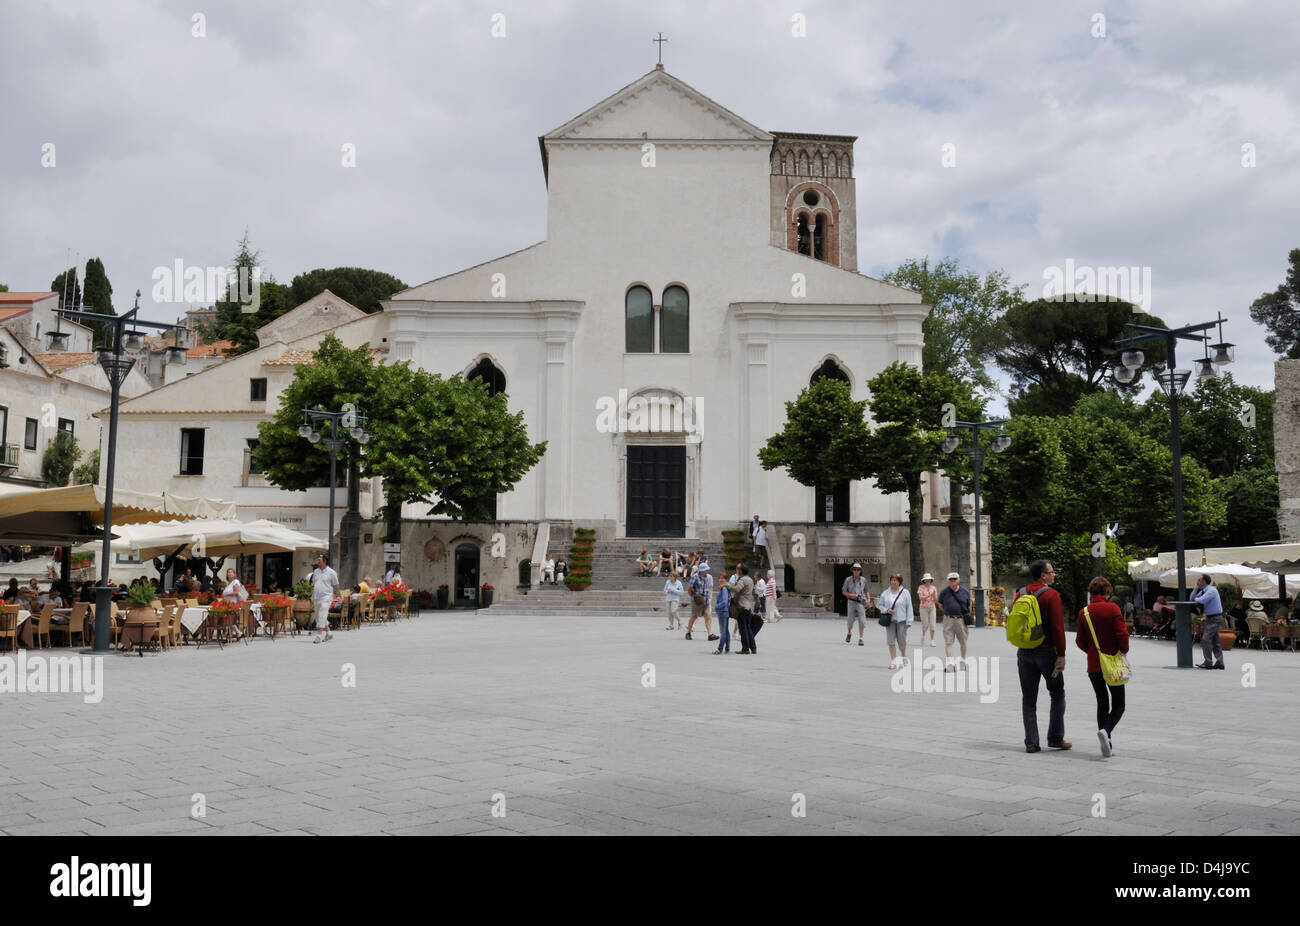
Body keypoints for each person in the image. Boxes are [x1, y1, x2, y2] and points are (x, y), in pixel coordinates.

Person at [1017, 560, 1070, 753]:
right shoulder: (1051, 595)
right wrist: (1062, 654)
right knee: (1057, 693)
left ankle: (1031, 742)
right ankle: (1055, 738)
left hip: (1024, 652)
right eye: (1051, 572)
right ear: (1043, 575)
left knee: (1028, 698)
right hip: (1047, 652)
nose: (1054, 574)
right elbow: (1057, 627)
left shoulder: (1020, 594)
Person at [1076, 576, 1129, 758]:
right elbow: (1122, 634)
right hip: (1112, 663)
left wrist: (1093, 652)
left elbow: (1080, 641)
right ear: (1107, 591)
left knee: (1102, 702)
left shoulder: (1085, 612)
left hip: (1094, 664)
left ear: (1091, 592)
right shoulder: (1113, 608)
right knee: (1119, 704)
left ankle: (1107, 742)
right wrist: (1123, 650)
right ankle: (1106, 731)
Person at [937, 572, 971, 671]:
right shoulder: (944, 592)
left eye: (954, 579)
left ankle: (963, 662)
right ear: (948, 581)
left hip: (961, 620)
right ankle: (950, 664)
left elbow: (968, 605)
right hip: (948, 619)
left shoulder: (965, 591)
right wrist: (948, 611)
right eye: (951, 580)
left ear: (958, 580)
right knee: (948, 642)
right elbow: (940, 605)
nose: (953, 581)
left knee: (963, 642)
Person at [1190, 574, 1225, 670]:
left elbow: (1202, 600)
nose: (1197, 581)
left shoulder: (1211, 590)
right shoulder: (1205, 590)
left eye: (1199, 580)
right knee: (1215, 641)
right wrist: (1195, 589)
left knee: (1205, 639)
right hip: (1211, 618)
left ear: (1204, 582)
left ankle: (1208, 662)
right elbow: (1192, 599)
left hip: (1215, 618)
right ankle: (1219, 662)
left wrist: (1197, 597)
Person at [879, 573, 914, 670]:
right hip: (890, 621)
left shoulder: (905, 592)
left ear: (899, 582)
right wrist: (886, 610)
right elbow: (880, 605)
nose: (893, 582)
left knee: (902, 641)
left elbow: (909, 607)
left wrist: (909, 621)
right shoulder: (885, 593)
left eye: (896, 580)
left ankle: (903, 656)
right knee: (891, 641)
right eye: (892, 580)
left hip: (902, 620)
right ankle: (893, 661)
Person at [308, 554, 340, 644]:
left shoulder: (332, 572)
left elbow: (336, 585)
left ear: (324, 561)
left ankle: (318, 635)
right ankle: (329, 633)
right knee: (319, 617)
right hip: (316, 597)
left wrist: (333, 594)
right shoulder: (316, 572)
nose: (317, 561)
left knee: (322, 614)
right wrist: (312, 595)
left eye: (319, 560)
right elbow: (314, 584)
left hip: (326, 597)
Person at [728, 563, 758, 655]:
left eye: (737, 568)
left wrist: (727, 585)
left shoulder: (742, 580)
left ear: (740, 571)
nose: (736, 569)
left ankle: (745, 648)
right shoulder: (750, 579)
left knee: (743, 629)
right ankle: (753, 648)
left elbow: (737, 589)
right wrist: (757, 602)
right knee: (748, 628)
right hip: (748, 606)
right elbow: (755, 593)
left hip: (741, 606)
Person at [842, 563, 870, 646]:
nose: (856, 571)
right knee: (850, 620)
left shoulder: (863, 580)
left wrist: (868, 599)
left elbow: (866, 591)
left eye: (858, 570)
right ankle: (849, 633)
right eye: (855, 569)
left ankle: (861, 638)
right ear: (852, 571)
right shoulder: (848, 580)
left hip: (861, 602)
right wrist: (852, 595)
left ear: (860, 571)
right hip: (851, 602)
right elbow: (843, 591)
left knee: (862, 620)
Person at [686, 560, 714, 640]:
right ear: (702, 570)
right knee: (694, 616)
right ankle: (688, 632)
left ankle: (710, 634)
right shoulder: (695, 576)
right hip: (697, 600)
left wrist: (709, 597)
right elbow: (689, 588)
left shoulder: (707, 577)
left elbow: (709, 587)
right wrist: (693, 597)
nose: (708, 570)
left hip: (706, 599)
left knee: (708, 616)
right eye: (706, 569)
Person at [916, 573, 938, 648]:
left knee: (932, 624)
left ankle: (932, 640)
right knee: (925, 624)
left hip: (932, 607)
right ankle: (923, 636)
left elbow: (935, 600)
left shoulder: (934, 588)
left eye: (929, 579)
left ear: (931, 580)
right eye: (926, 579)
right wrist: (929, 595)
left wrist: (934, 595)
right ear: (924, 580)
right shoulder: (921, 587)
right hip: (923, 607)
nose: (928, 580)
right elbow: (921, 598)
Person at [713, 578, 731, 654]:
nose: (720, 580)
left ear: (726, 580)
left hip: (722, 611)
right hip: (724, 611)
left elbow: (725, 601)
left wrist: (716, 606)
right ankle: (727, 648)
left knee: (723, 631)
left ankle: (720, 649)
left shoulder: (724, 588)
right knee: (726, 630)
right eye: (719, 578)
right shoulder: (724, 588)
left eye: (722, 578)